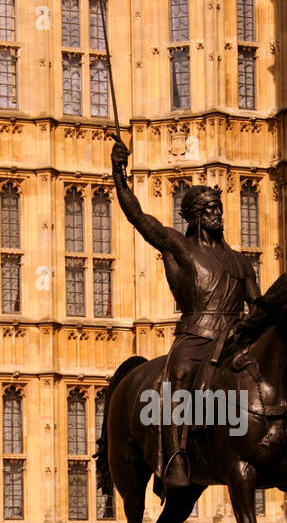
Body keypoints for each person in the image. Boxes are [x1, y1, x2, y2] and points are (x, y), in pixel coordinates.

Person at [111, 138, 259, 492]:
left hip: (235, 337)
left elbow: (258, 306)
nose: (217, 215)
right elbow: (138, 217)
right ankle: (176, 456)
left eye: (218, 209)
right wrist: (119, 174)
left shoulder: (240, 261)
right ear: (195, 216)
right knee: (177, 375)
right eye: (209, 210)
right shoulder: (179, 247)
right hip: (196, 335)